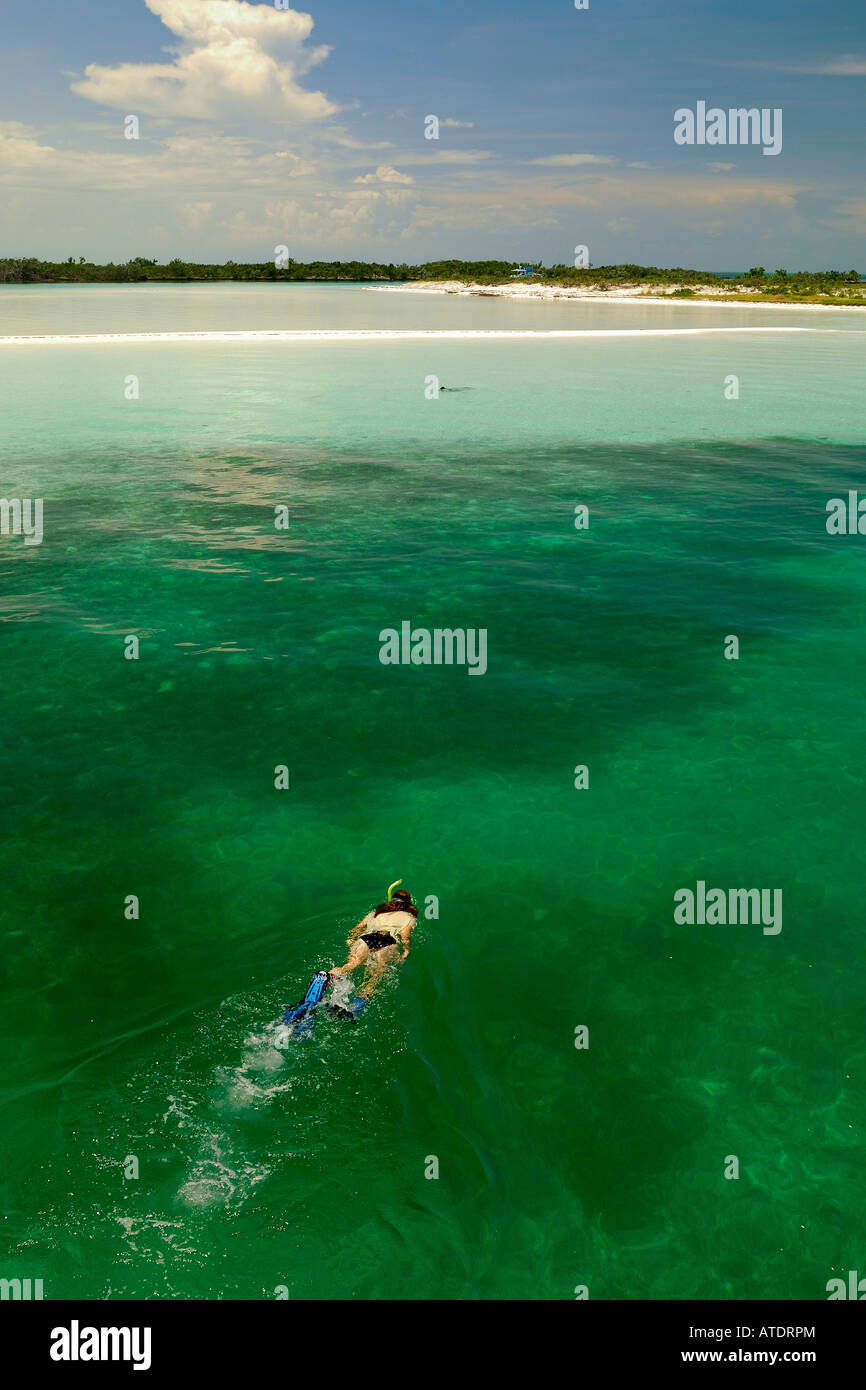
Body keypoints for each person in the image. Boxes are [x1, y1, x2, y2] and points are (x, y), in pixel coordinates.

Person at [330, 881, 417, 1000]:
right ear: (408, 903)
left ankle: (331, 975)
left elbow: (359, 926)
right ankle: (362, 997)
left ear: (392, 900)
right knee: (377, 974)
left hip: (367, 938)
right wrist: (406, 950)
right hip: (388, 941)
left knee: (352, 964)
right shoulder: (410, 917)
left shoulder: (377, 911)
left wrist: (351, 938)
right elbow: (405, 934)